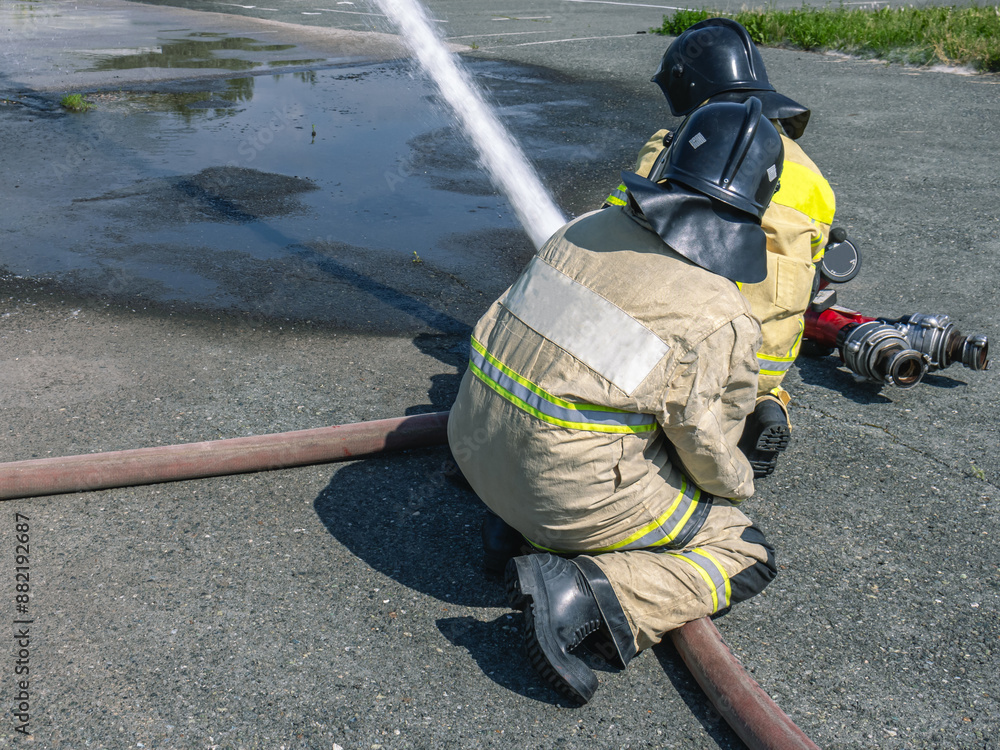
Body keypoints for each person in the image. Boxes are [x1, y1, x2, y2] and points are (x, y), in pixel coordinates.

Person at [448, 98, 781, 704]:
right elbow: (705, 449)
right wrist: (738, 483)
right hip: (559, 494)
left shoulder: (580, 230)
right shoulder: (719, 313)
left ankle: (516, 530)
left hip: (473, 449)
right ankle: (580, 590)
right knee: (744, 548)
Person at [605, 18, 837, 478]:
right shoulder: (816, 181)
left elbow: (618, 227)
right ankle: (764, 404)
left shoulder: (676, 146)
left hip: (687, 351)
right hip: (762, 364)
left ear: (691, 85)